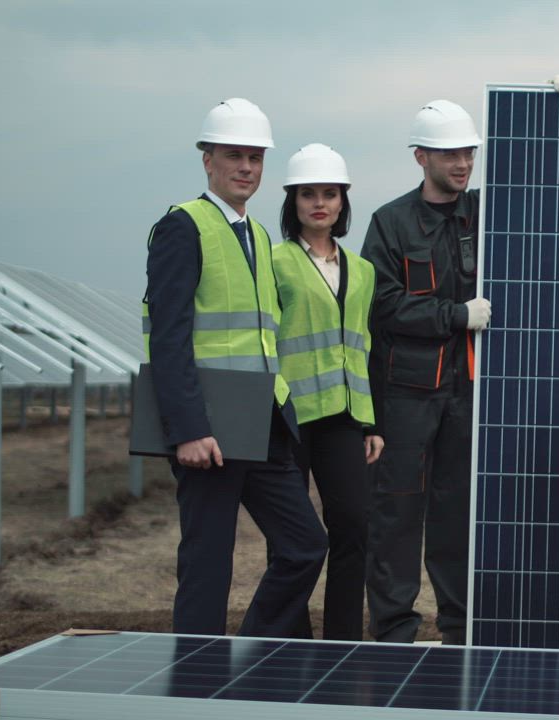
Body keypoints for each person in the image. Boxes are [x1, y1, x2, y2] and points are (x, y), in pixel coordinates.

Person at [142, 98, 327, 638]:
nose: (246, 167)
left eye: (255, 157)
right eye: (234, 156)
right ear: (208, 160)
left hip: (262, 425)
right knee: (208, 564)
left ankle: (248, 654)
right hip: (209, 432)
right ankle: (196, 684)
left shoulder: (260, 236)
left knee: (304, 547)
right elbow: (169, 337)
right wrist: (189, 429)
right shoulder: (183, 226)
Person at [360, 99, 491, 645]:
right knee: (396, 513)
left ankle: (459, 628)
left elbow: (551, 190)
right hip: (407, 393)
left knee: (458, 513)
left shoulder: (488, 213)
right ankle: (394, 631)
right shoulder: (389, 223)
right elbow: (382, 304)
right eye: (449, 153)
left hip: (470, 392)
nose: (462, 163)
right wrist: (454, 315)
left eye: (467, 152)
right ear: (420, 157)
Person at [271, 143, 384, 640]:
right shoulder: (274, 262)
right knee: (291, 537)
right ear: (292, 201)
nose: (320, 202)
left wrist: (370, 421)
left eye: (330, 194)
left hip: (342, 417)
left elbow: (364, 348)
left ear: (343, 202)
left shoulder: (362, 272)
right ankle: (291, 639)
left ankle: (343, 642)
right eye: (309, 193)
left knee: (354, 528)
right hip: (288, 415)